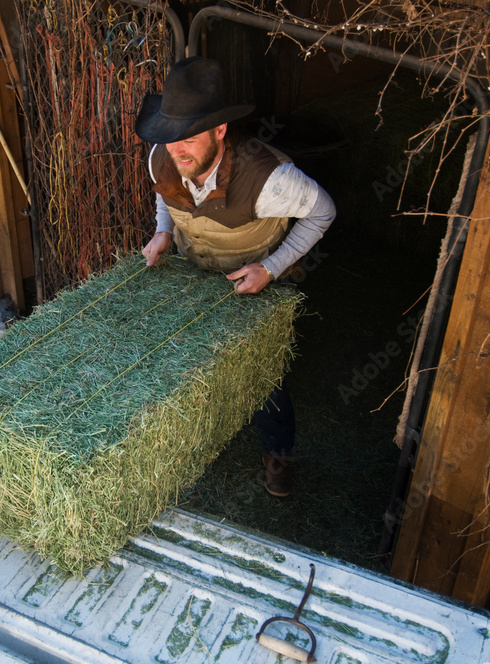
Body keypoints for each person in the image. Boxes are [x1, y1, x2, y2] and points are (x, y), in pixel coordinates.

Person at [134, 56, 336, 498]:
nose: (176, 148)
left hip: (253, 277)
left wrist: (271, 267)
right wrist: (163, 232)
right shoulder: (162, 157)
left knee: (265, 371)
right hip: (195, 270)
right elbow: (166, 195)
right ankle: (193, 441)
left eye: (188, 136)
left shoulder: (271, 179)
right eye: (170, 137)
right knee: (185, 359)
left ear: (220, 131)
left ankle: (277, 451)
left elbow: (324, 211)